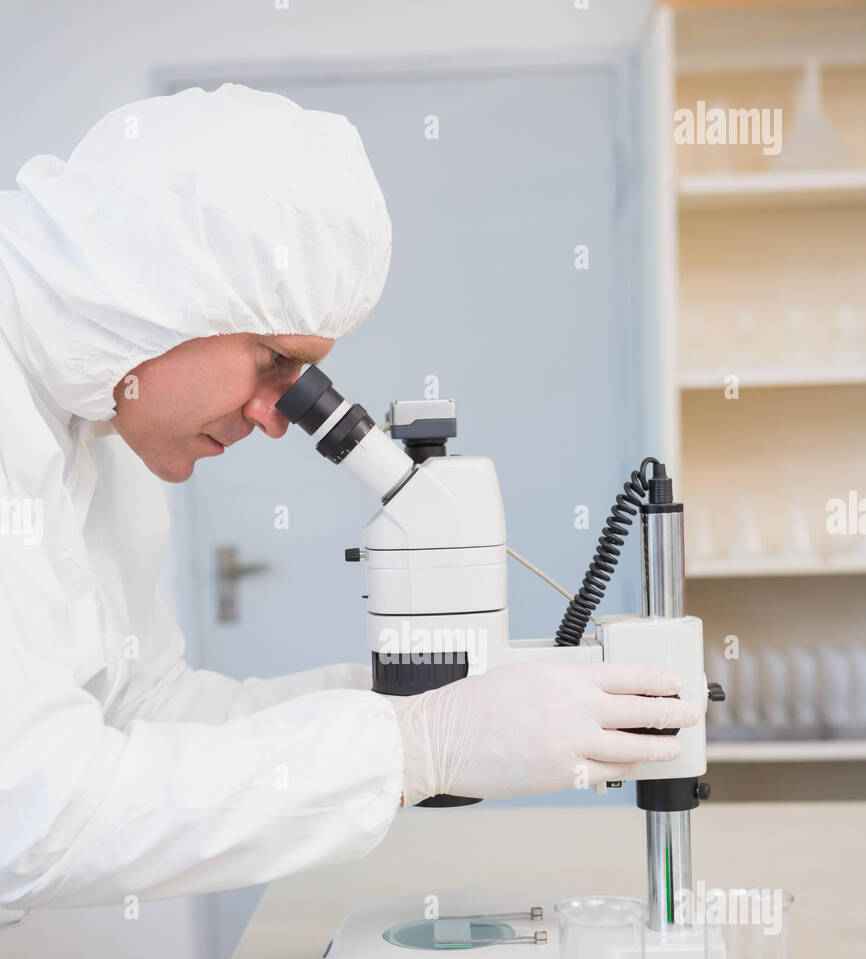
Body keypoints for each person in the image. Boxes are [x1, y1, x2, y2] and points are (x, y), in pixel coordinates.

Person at [0, 84, 697, 917]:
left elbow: (147, 713)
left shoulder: (96, 424)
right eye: (271, 362)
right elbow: (31, 821)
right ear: (161, 291)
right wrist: (417, 748)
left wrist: (406, 698)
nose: (276, 415)